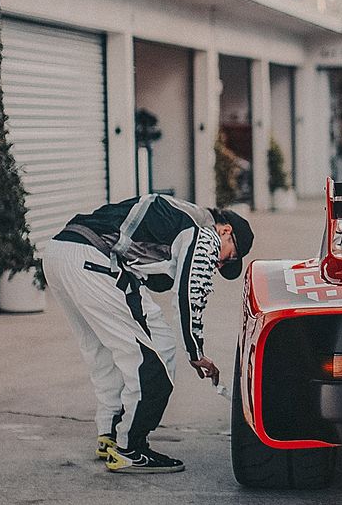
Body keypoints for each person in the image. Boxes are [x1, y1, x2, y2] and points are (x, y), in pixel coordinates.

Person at [43, 194, 253, 474]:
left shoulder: (179, 218)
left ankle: (110, 433)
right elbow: (188, 290)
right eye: (230, 256)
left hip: (63, 252)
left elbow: (156, 279)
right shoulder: (204, 230)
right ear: (226, 230)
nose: (220, 264)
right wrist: (195, 351)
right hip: (91, 257)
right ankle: (130, 449)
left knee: (108, 351)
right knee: (151, 357)